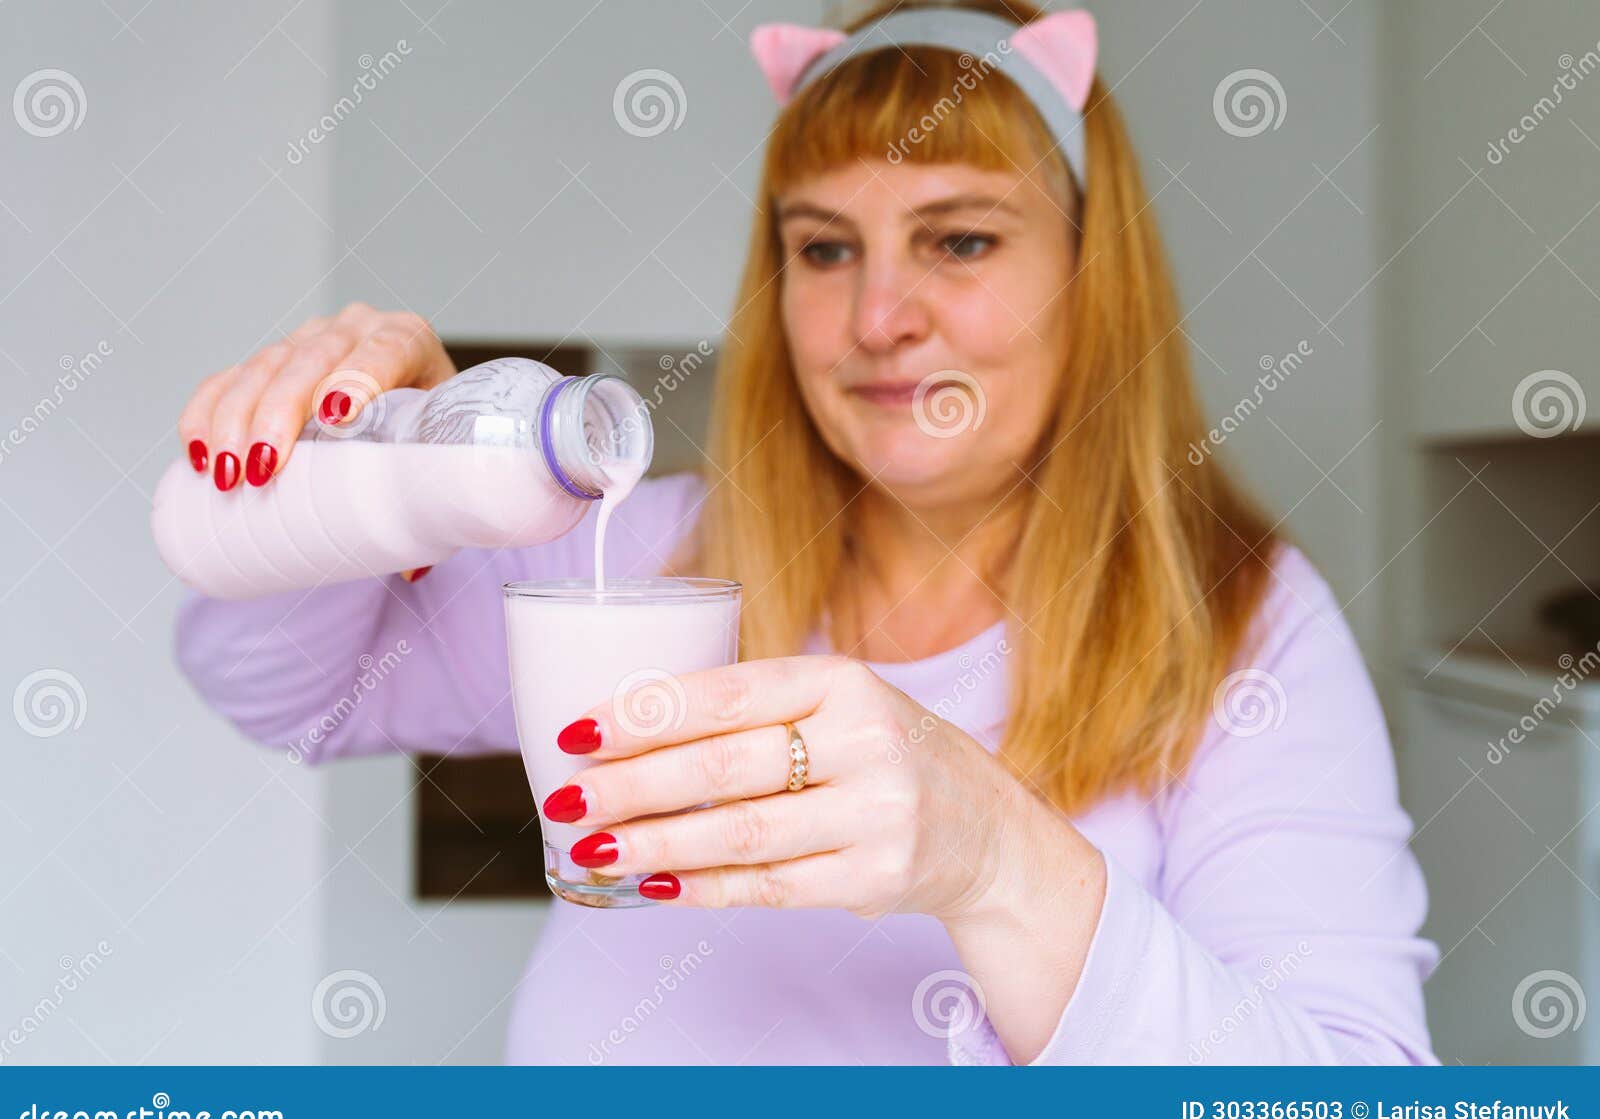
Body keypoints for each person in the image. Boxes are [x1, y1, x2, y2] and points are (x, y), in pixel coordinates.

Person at [171, 0, 1438, 1064]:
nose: (879, 313)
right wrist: (367, 478)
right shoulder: (651, 559)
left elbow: (1349, 1107)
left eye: (959, 237)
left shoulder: (1239, 627)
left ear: (1090, 273)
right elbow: (282, 689)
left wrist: (993, 859)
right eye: (824, 249)